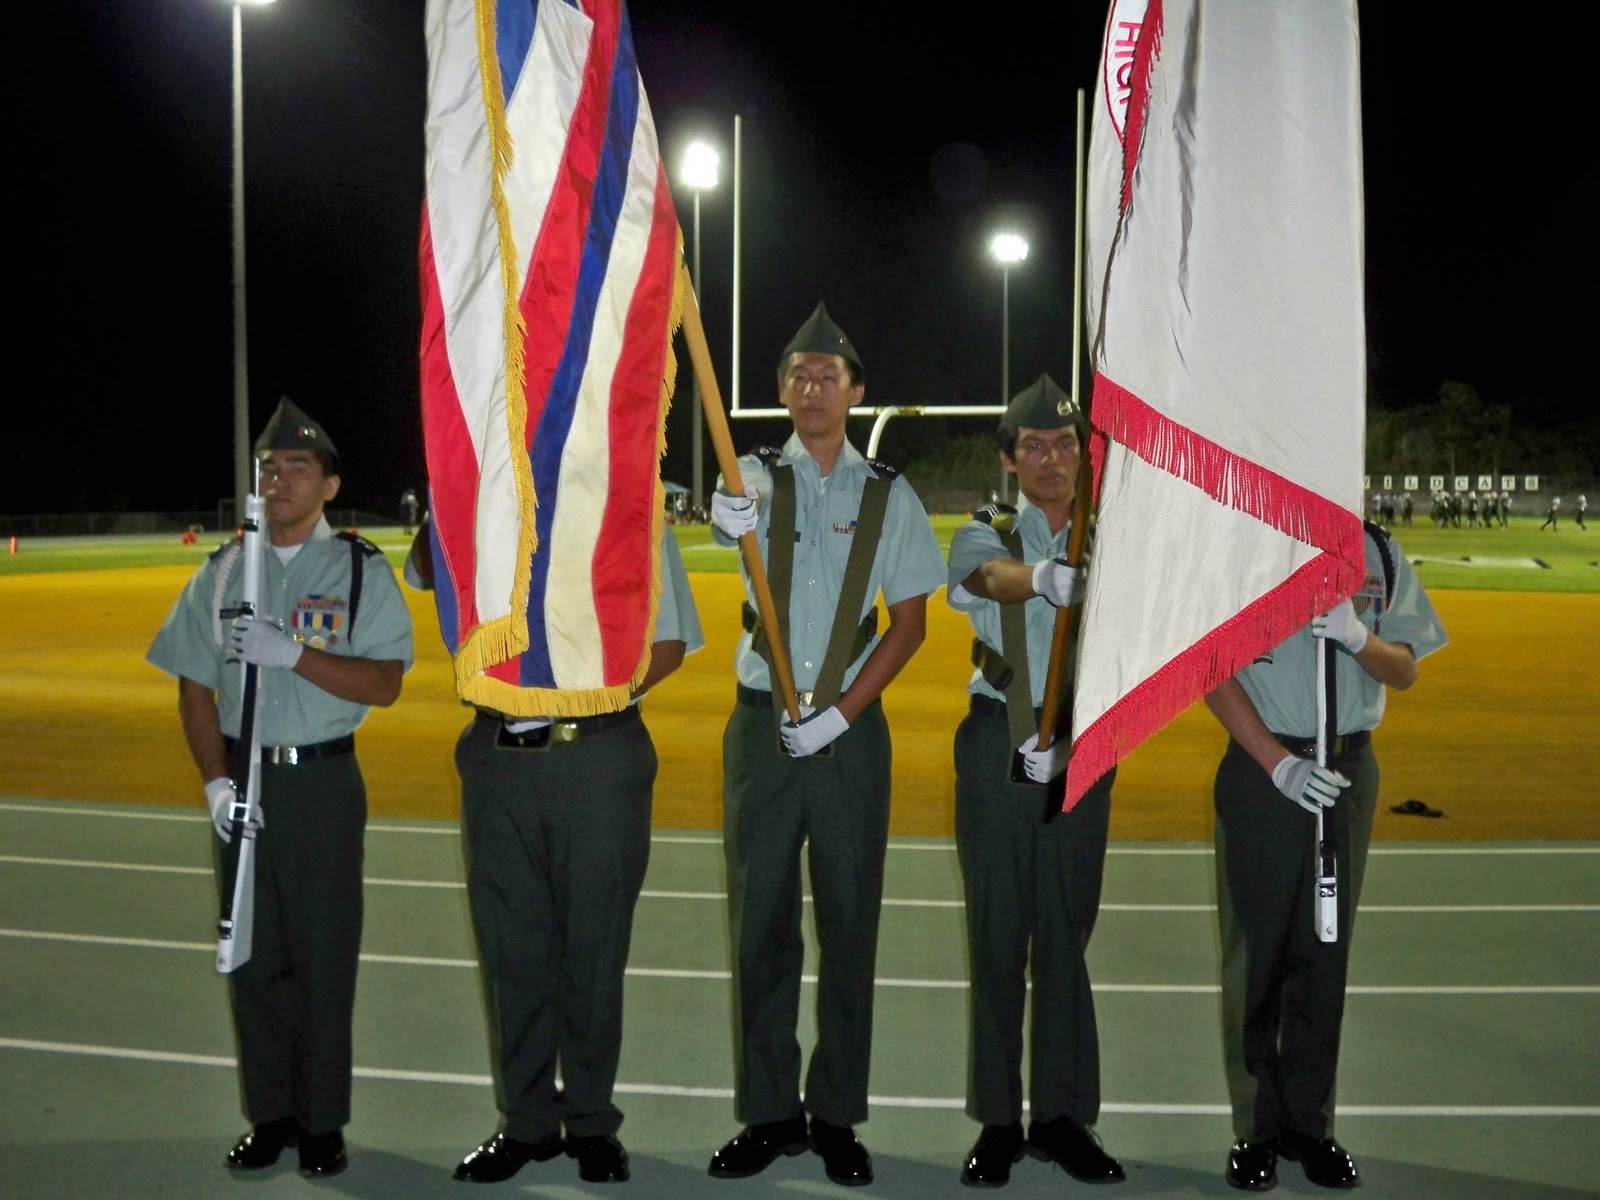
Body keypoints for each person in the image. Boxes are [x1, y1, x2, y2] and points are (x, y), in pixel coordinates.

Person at [705, 303, 946, 1188]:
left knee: (849, 926)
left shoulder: (890, 494)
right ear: (780, 392)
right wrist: (728, 523)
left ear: (855, 391)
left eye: (828, 375)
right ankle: (770, 1113)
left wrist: (845, 712)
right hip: (762, 727)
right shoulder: (751, 482)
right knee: (761, 925)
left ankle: (836, 1114)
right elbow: (722, 528)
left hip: (850, 735)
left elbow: (912, 621)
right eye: (798, 375)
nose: (812, 387)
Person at [146, 397, 414, 1178]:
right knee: (252, 957)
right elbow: (194, 683)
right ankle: (270, 1115)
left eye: (298, 468)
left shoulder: (358, 570)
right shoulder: (225, 569)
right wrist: (214, 785)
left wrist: (293, 655)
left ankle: (322, 1121)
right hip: (245, 785)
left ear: (330, 486)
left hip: (322, 787)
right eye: (269, 468)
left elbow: (385, 682)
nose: (279, 479)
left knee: (325, 960)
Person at [439, 524, 704, 1185]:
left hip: (596, 753)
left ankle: (589, 1119)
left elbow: (666, 645)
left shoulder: (626, 497)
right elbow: (432, 568)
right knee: (511, 947)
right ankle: (526, 1120)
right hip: (502, 756)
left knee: (594, 946)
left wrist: (571, 697)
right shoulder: (484, 494)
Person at [1203, 521, 1446, 1192]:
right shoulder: (1244, 540)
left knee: (1324, 951)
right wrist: (1275, 763)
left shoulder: (1378, 553)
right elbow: (1208, 666)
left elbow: (1406, 668)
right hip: (1266, 766)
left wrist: (1357, 637)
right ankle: (1257, 1129)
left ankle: (1310, 1124)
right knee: (1256, 954)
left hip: (1346, 769)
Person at [944, 375, 1124, 1187]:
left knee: (1063, 936)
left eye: (1064, 444)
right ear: (1010, 459)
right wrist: (1047, 580)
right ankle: (996, 1121)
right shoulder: (988, 529)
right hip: (996, 744)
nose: (1050, 460)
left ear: (1084, 454)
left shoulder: (1111, 536)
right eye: (1034, 447)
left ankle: (1060, 1117)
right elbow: (983, 581)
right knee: (996, 935)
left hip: (1084, 746)